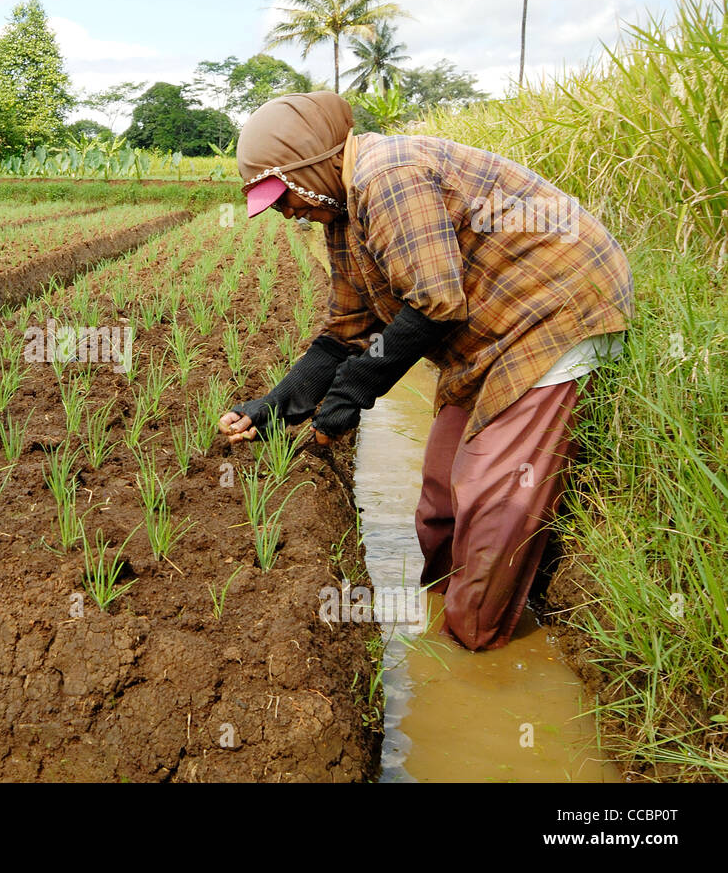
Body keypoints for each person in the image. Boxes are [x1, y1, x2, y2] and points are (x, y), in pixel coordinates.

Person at [216, 91, 633, 651]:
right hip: (486, 334)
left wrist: (349, 398)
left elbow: (436, 303)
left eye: (284, 196)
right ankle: (441, 609)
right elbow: (346, 331)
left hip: (554, 312)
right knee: (440, 492)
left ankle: (471, 644)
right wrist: (271, 407)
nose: (286, 212)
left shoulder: (388, 176)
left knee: (491, 499)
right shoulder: (340, 217)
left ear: (310, 167)